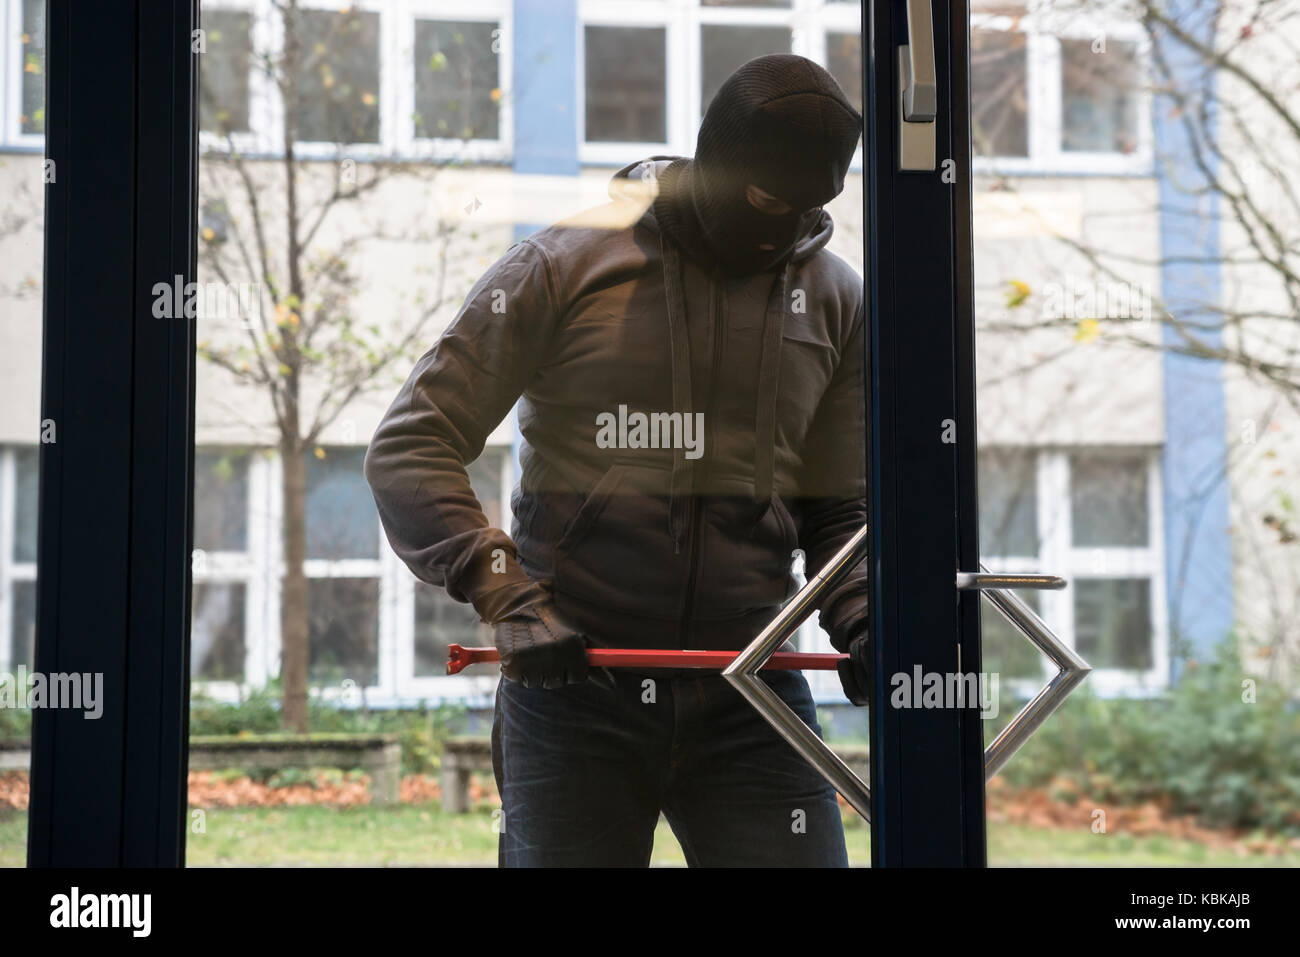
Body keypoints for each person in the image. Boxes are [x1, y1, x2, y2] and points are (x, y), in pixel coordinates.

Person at [365, 54, 872, 867]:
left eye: (807, 207)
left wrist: (864, 617)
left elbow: (842, 509)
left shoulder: (838, 300)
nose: (781, 224)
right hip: (575, 689)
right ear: (715, 163)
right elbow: (411, 446)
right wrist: (505, 591)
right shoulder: (563, 266)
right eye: (765, 199)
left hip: (754, 687)